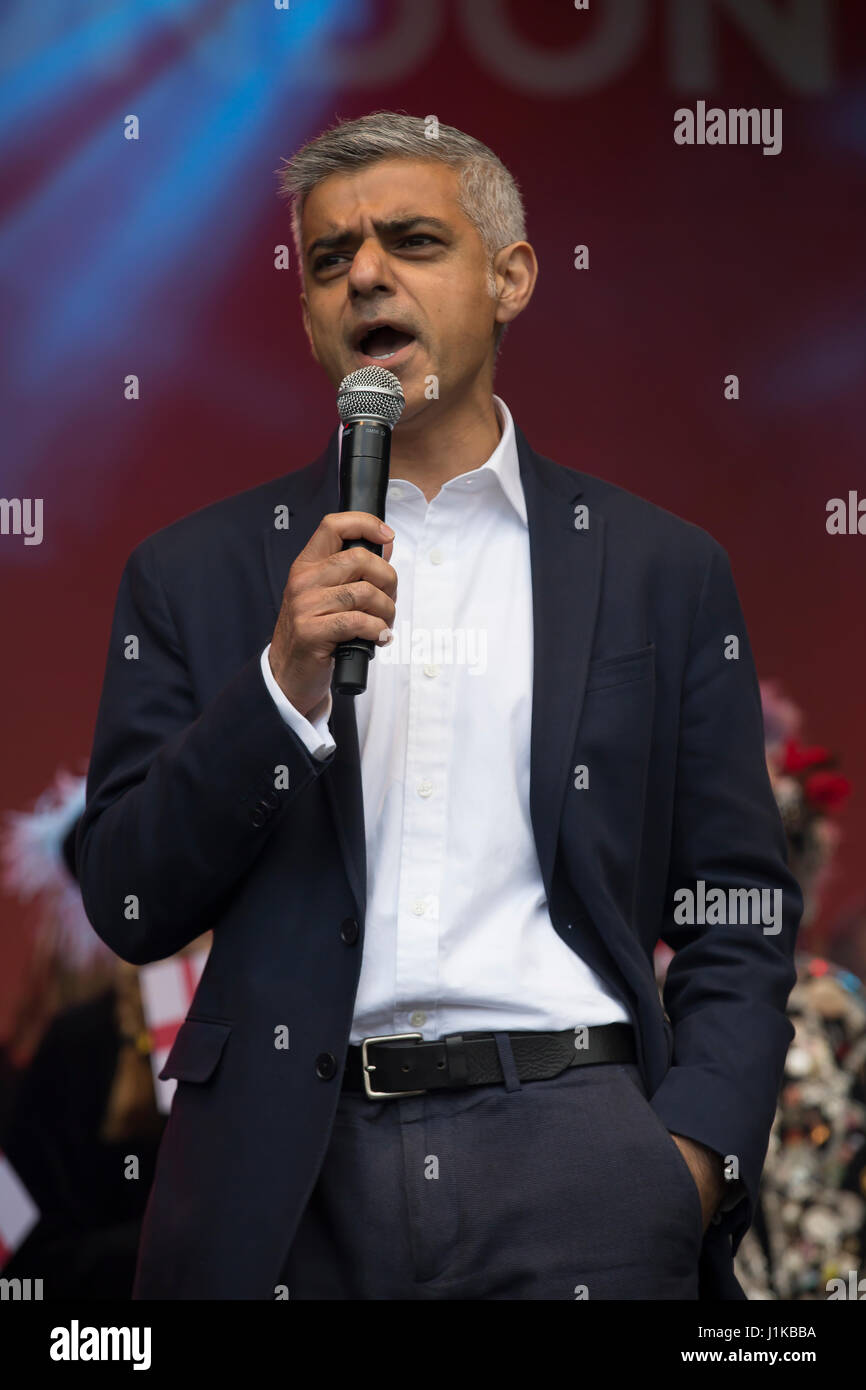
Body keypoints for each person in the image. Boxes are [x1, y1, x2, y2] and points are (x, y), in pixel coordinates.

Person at [76, 112, 802, 1300]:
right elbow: (128, 896)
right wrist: (278, 685)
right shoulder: (193, 574)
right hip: (282, 1178)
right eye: (328, 259)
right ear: (310, 315)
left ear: (509, 277)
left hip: (580, 1153)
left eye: (411, 240)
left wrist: (688, 1161)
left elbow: (737, 905)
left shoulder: (660, 568)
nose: (364, 274)